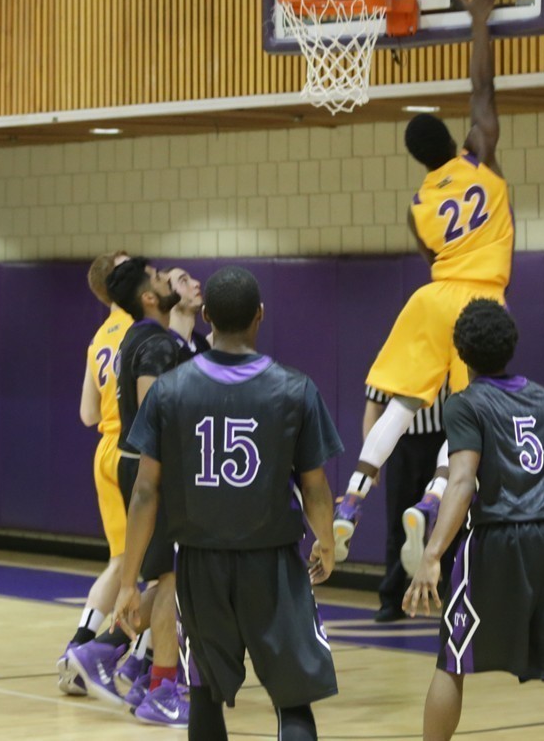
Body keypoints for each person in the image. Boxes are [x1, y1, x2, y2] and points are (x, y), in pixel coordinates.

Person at [114, 265, 343, 741]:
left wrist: (128, 582)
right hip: (274, 565)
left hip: (200, 566)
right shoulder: (295, 388)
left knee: (205, 694)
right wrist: (325, 541)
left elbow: (144, 491)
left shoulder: (170, 390)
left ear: (208, 316)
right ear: (260, 316)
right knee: (292, 699)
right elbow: (316, 487)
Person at [333, 0, 513, 560]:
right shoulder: (481, 158)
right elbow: (482, 91)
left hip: (429, 298)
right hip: (479, 300)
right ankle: (433, 497)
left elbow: (433, 258)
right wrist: (478, 18)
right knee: (463, 409)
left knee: (405, 404)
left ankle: (353, 497)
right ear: (457, 139)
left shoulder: (418, 206)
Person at [404, 300, 544, 741]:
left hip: (500, 538)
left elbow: (463, 481)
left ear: (461, 353)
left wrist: (432, 553)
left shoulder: (466, 404)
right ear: (511, 345)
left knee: (453, 659)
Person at [107, 255, 203, 724]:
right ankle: (166, 685)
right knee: (173, 580)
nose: (169, 281)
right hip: (153, 471)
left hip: (138, 467)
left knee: (169, 577)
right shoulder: (160, 346)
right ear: (150, 297)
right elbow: (154, 418)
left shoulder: (137, 338)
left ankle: (111, 653)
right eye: (163, 279)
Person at [57, 251, 139, 698]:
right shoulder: (141, 328)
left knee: (121, 562)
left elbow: (88, 413)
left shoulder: (98, 337)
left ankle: (81, 645)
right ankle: (136, 656)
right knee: (158, 570)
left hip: (105, 449)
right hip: (132, 450)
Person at [362, 384, 445, 622]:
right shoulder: (391, 357)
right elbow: (373, 406)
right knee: (399, 524)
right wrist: (371, 459)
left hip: (442, 438)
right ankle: (392, 600)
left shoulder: (449, 354)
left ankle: (452, 593)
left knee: (446, 521)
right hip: (401, 443)